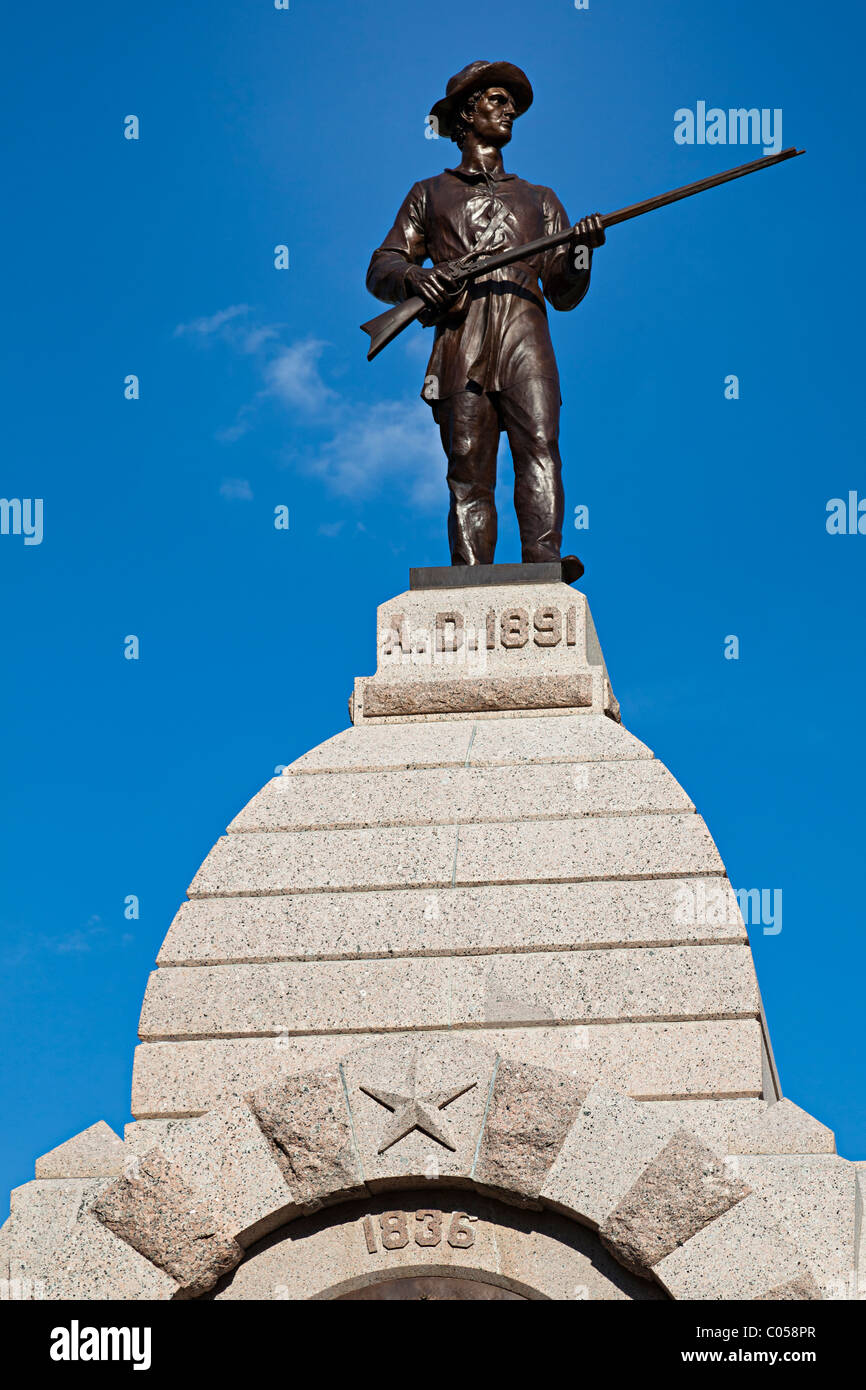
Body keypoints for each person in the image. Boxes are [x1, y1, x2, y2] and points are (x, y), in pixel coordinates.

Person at [366, 60, 605, 567]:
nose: (510, 109)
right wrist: (417, 277)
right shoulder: (429, 193)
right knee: (469, 468)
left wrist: (584, 250)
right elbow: (383, 266)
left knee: (540, 447)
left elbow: (563, 292)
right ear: (466, 114)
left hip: (525, 332)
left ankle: (544, 562)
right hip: (462, 338)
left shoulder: (541, 199)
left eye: (510, 102)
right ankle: (469, 575)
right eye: (497, 100)